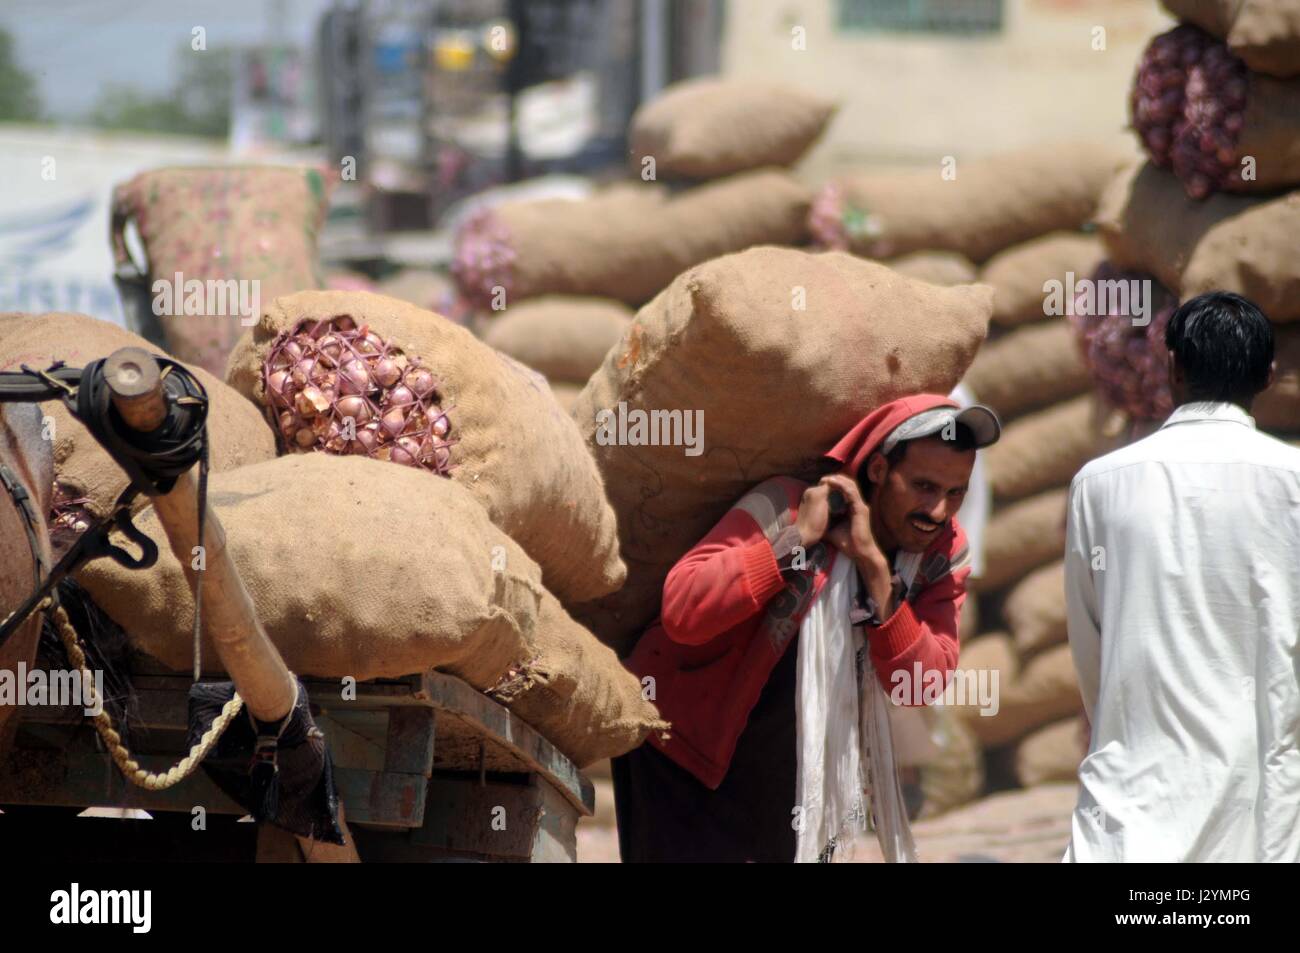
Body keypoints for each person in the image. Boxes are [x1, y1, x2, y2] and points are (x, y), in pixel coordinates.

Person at [612, 394, 1001, 862]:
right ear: (878, 471)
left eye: (955, 493)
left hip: (793, 775)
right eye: (923, 486)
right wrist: (795, 541)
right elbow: (684, 608)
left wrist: (874, 569)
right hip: (682, 750)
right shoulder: (788, 506)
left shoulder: (940, 555)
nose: (938, 510)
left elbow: (920, 684)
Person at [1063, 291, 1300, 863]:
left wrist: (1123, 724)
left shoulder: (1099, 483)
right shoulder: (1293, 481)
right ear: (1268, 376)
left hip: (1131, 806)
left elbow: (1091, 649)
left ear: (1171, 366)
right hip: (1265, 805)